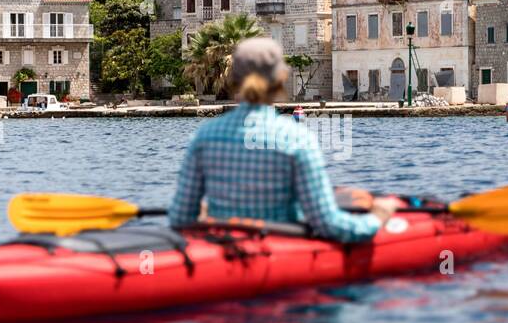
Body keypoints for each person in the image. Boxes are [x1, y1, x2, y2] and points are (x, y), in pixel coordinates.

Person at [168, 37, 396, 242]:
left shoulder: (204, 137)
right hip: (280, 251)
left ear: (233, 79)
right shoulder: (296, 139)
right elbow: (327, 224)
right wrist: (377, 218)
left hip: (222, 251)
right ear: (280, 78)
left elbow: (180, 218)